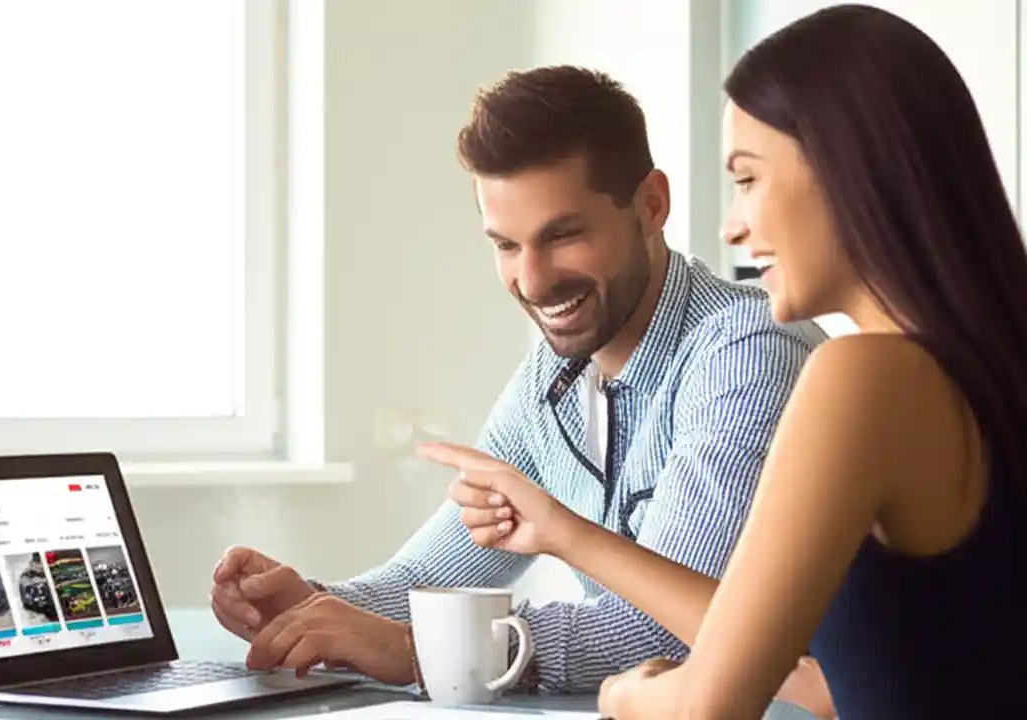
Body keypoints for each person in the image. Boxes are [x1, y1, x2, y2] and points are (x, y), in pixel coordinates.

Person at [439, 6, 1027, 718]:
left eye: (746, 180)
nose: (732, 226)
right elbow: (859, 676)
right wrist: (563, 533)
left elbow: (708, 707)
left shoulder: (864, 378)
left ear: (850, 172)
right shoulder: (974, 372)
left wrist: (629, 696)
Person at [211, 66, 819, 693]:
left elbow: (672, 634)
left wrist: (416, 651)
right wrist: (312, 608)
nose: (531, 282)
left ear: (651, 206)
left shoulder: (746, 353)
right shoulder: (553, 377)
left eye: (563, 235)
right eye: (505, 245)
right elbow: (433, 574)